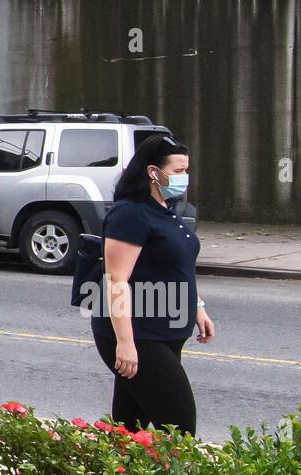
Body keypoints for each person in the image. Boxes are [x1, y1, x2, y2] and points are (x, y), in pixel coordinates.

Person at [92, 135, 215, 435]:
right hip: (139, 334)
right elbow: (117, 280)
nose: (184, 178)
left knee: (128, 428)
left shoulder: (164, 208)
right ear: (152, 172)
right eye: (177, 171)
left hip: (167, 332)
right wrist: (125, 342)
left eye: (186, 171)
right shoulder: (130, 214)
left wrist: (197, 307)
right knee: (179, 429)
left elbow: (175, 266)